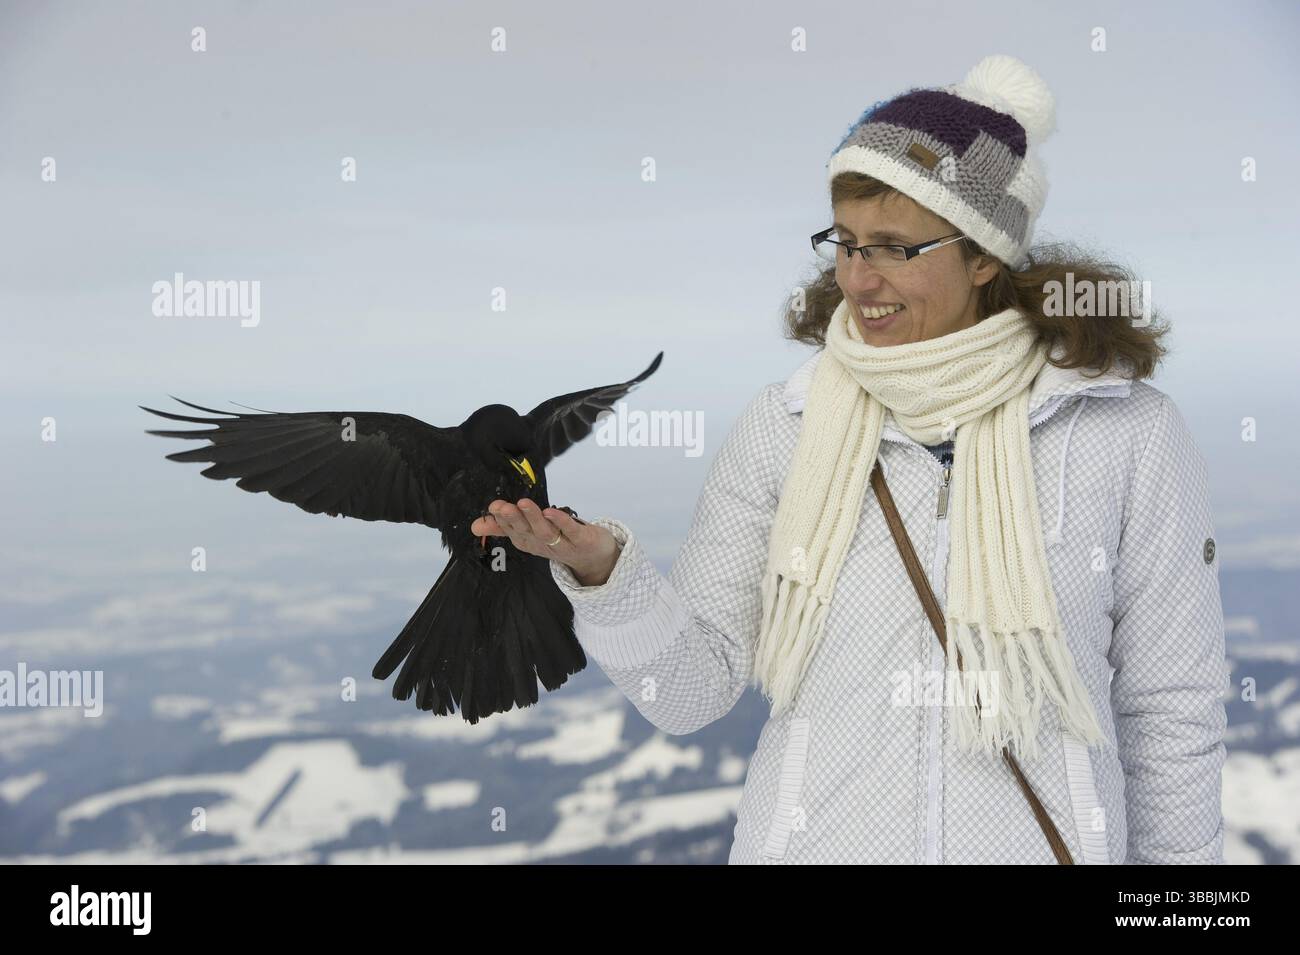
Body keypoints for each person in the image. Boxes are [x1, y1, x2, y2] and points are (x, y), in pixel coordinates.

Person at [470, 54, 1227, 864]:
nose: (859, 279)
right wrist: (607, 576)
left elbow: (1170, 705)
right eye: (846, 242)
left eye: (896, 248)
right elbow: (690, 692)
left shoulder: (1123, 432)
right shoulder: (786, 425)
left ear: (982, 256)